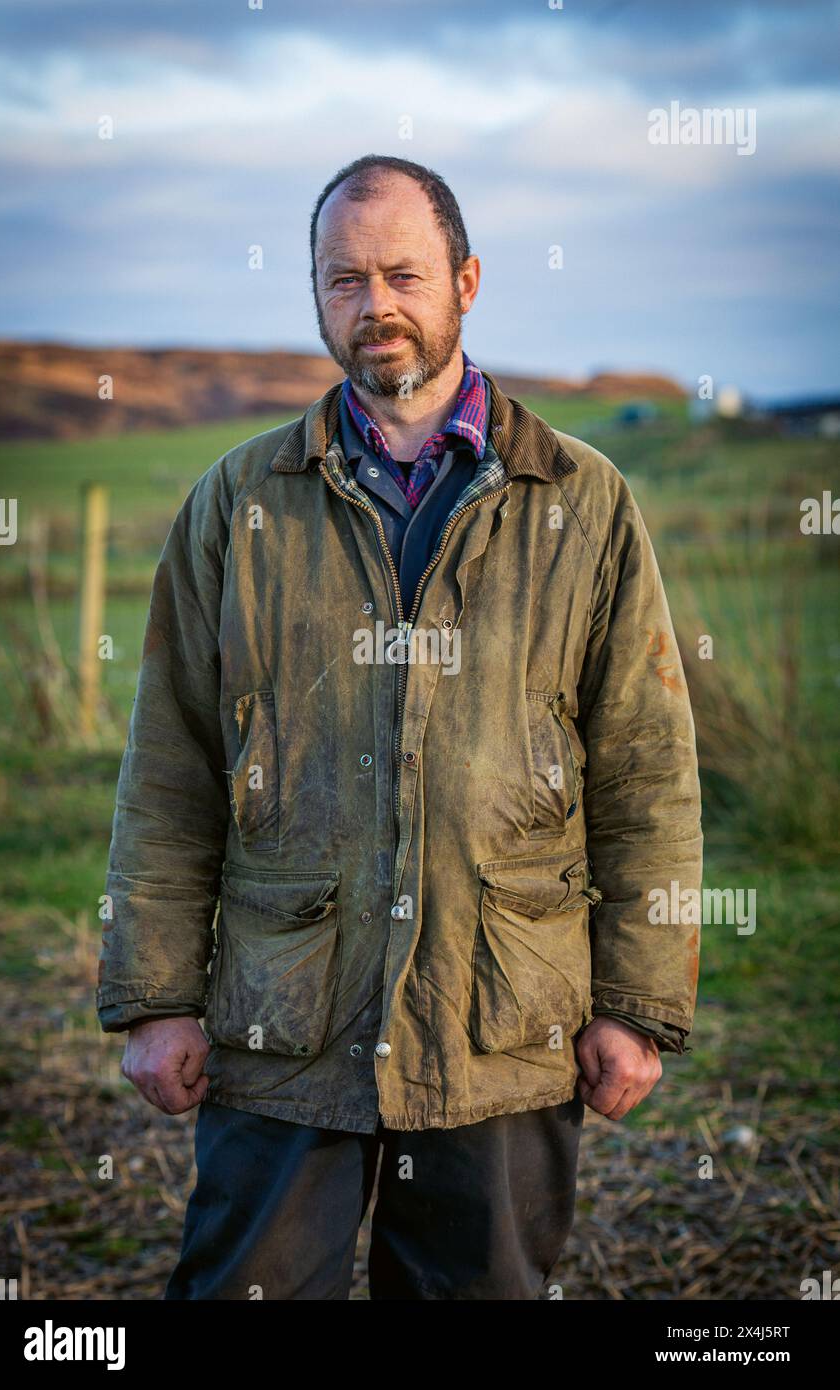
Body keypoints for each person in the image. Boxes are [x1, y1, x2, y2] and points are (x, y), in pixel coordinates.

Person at [96, 154, 703, 1300]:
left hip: (502, 1022)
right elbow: (170, 764)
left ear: (464, 281)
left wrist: (636, 1004)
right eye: (343, 279)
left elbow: (645, 770)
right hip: (285, 1023)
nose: (373, 303)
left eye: (401, 274)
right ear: (316, 297)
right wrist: (158, 994)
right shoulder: (239, 502)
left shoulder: (582, 502)